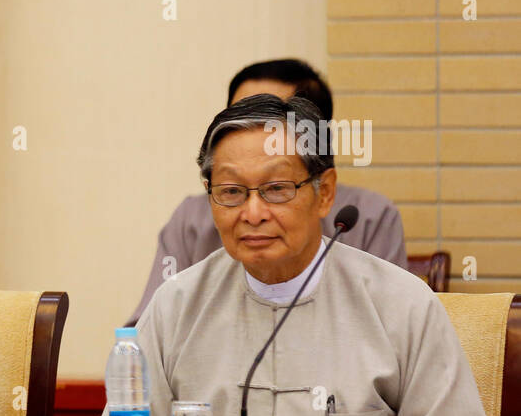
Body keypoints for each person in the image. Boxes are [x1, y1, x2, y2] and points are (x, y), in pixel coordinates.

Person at [95, 94, 488, 416]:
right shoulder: (175, 307)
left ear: (325, 193)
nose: (252, 213)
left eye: (276, 189)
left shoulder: (403, 306)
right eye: (231, 191)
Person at [128, 59, 407, 324]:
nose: (253, 214)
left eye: (276, 188)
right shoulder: (192, 219)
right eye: (244, 113)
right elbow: (145, 341)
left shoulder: (369, 216)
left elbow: (388, 318)